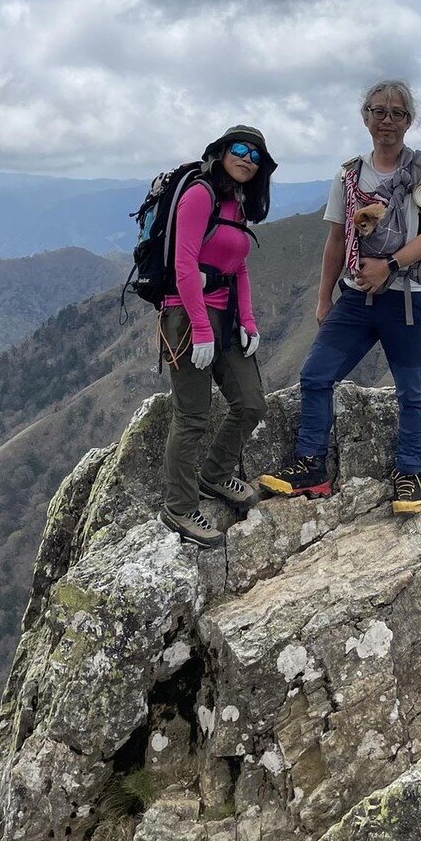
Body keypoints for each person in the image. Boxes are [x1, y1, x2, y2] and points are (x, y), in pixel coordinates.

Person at [259, 81, 421, 514]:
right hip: (355, 297)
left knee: (411, 390)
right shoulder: (349, 174)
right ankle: (312, 468)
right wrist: (323, 297)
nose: (387, 121)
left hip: (406, 296)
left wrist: (390, 266)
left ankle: (409, 474)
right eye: (379, 111)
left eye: (397, 113)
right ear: (365, 116)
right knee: (315, 375)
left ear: (409, 120)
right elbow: (334, 239)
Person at [158, 126, 277, 549]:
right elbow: (184, 265)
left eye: (256, 156)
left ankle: (214, 473)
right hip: (187, 315)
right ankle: (179, 505)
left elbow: (238, 267)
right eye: (240, 150)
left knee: (250, 403)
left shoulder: (236, 204)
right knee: (191, 415)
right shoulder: (201, 194)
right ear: (223, 151)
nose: (247, 159)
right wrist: (202, 327)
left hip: (225, 316)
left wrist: (248, 321)